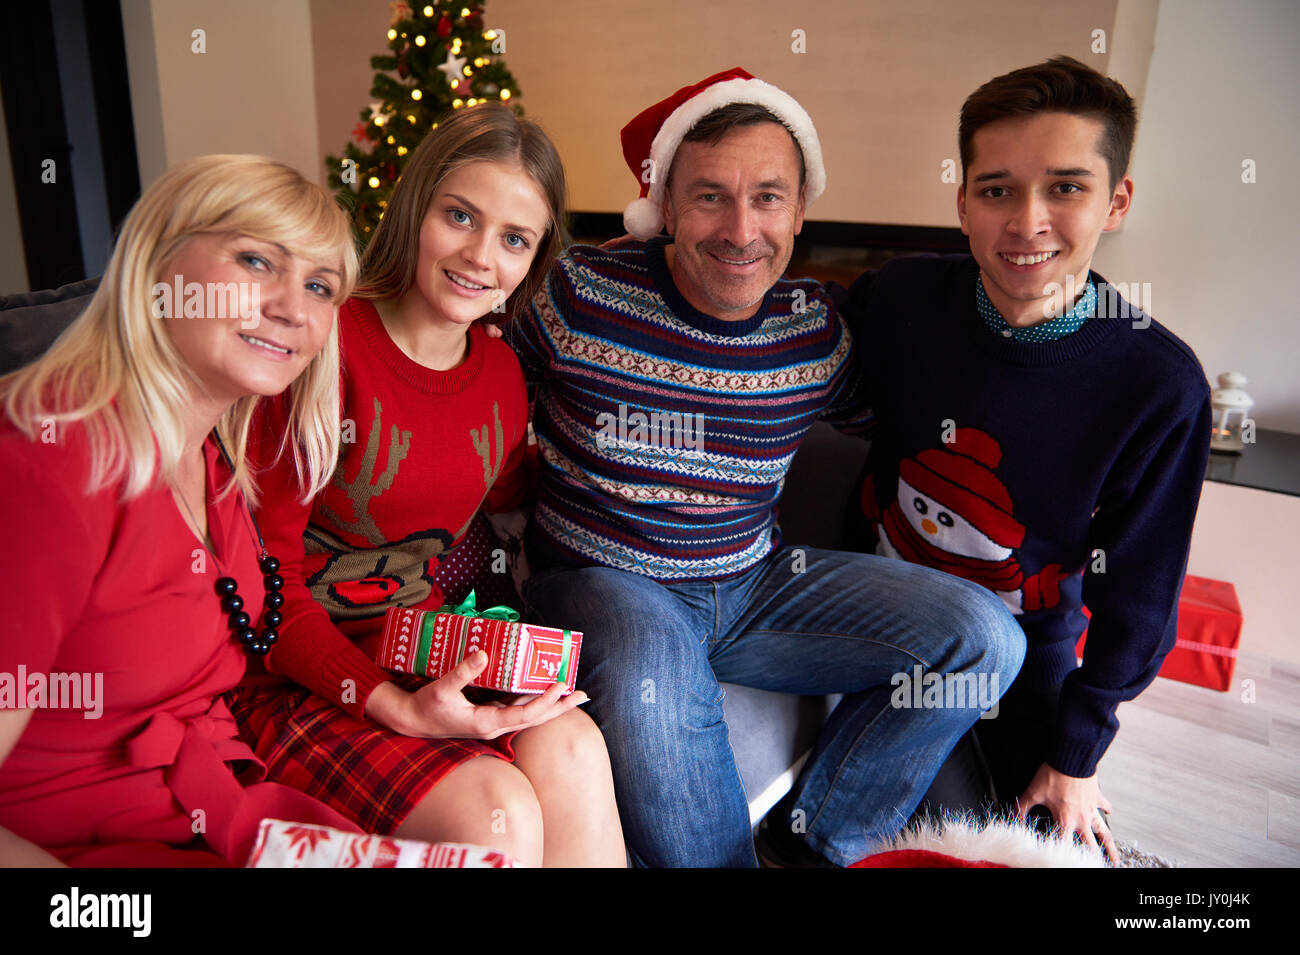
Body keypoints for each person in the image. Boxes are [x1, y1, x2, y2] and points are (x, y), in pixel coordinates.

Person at [505, 68, 1027, 867]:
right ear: (666, 209)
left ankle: (818, 840)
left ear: (800, 210)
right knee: (653, 671)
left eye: (768, 197)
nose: (741, 229)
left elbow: (906, 416)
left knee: (984, 639)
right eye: (710, 196)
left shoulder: (814, 328)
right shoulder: (577, 293)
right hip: (605, 580)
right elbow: (469, 377)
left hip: (753, 584)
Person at [835, 56, 1212, 864]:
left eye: (1066, 188)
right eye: (997, 189)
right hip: (859, 613)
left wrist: (1078, 751)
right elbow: (763, 329)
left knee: (1030, 848)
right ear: (962, 200)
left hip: (1016, 659)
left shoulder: (1157, 382)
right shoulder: (898, 298)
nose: (1027, 220)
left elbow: (1140, 595)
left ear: (1117, 202)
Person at [229, 104, 625, 868]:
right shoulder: (322, 346)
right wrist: (399, 708)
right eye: (460, 216)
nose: (481, 255)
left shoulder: (503, 373)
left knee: (574, 744)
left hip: (422, 648)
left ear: (534, 261)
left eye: (514, 239)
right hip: (293, 673)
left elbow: (512, 485)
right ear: (416, 207)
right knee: (497, 808)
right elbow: (265, 585)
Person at [0, 154, 364, 866]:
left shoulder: (216, 459)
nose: (293, 307)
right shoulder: (51, 459)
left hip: (216, 809)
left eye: (319, 285)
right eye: (257, 260)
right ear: (156, 264)